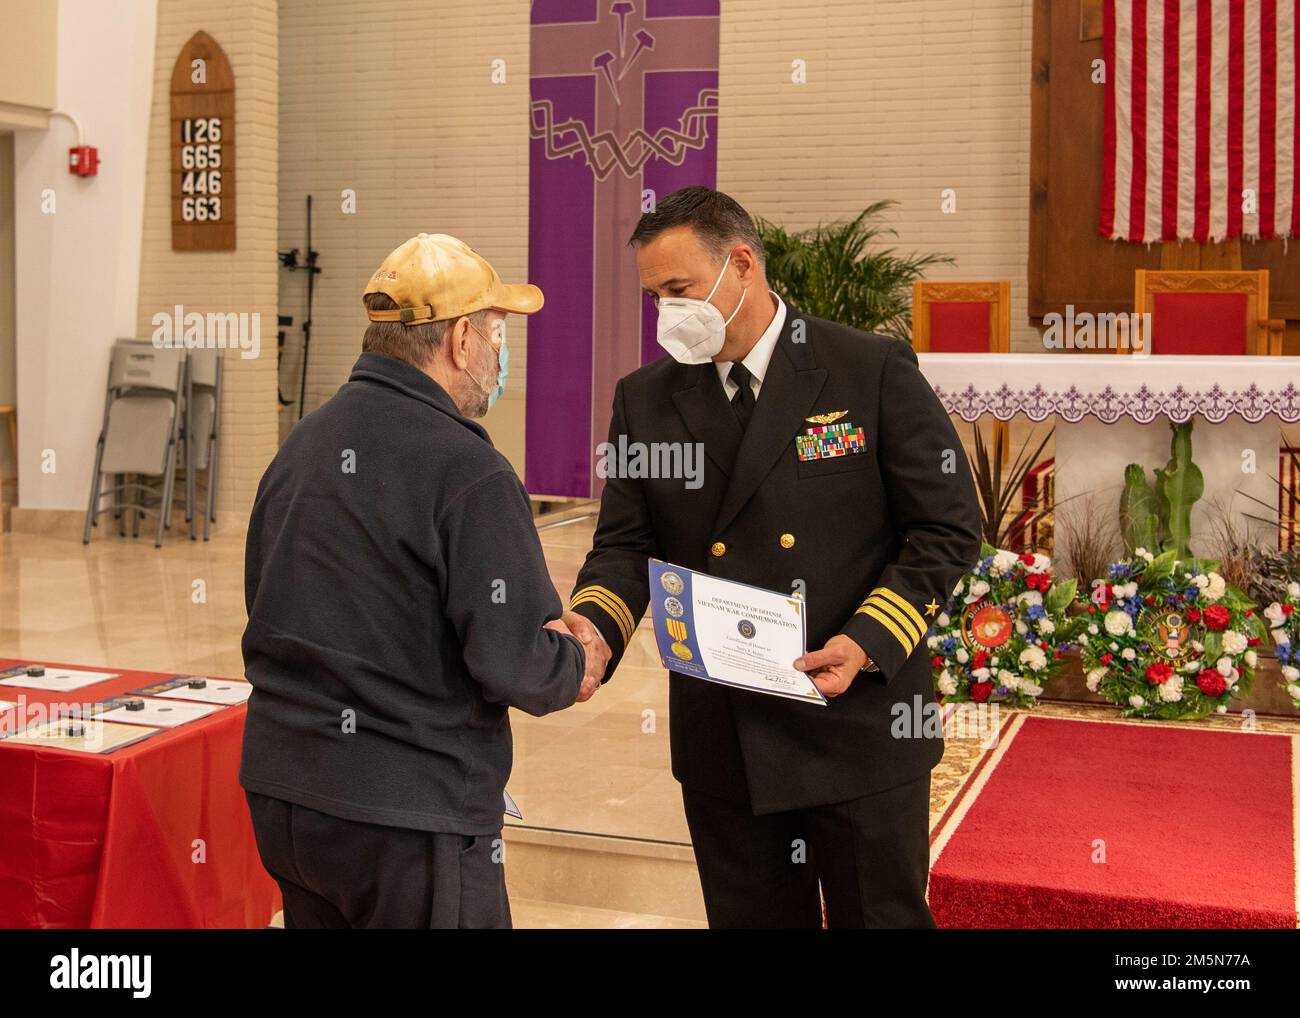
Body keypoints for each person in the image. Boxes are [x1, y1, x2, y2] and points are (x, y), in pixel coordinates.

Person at [561, 187, 982, 928]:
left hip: (855, 721)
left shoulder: (866, 369)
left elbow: (946, 528)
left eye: (680, 290)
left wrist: (867, 642)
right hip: (728, 736)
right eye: (655, 296)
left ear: (742, 265)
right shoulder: (647, 400)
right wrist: (596, 626)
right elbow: (626, 545)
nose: (667, 312)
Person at [239, 233, 609, 929]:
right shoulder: (468, 470)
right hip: (408, 820)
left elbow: (269, 600)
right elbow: (514, 661)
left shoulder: (302, 446)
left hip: (287, 799)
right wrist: (575, 660)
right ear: (462, 339)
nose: (502, 357)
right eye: (500, 336)